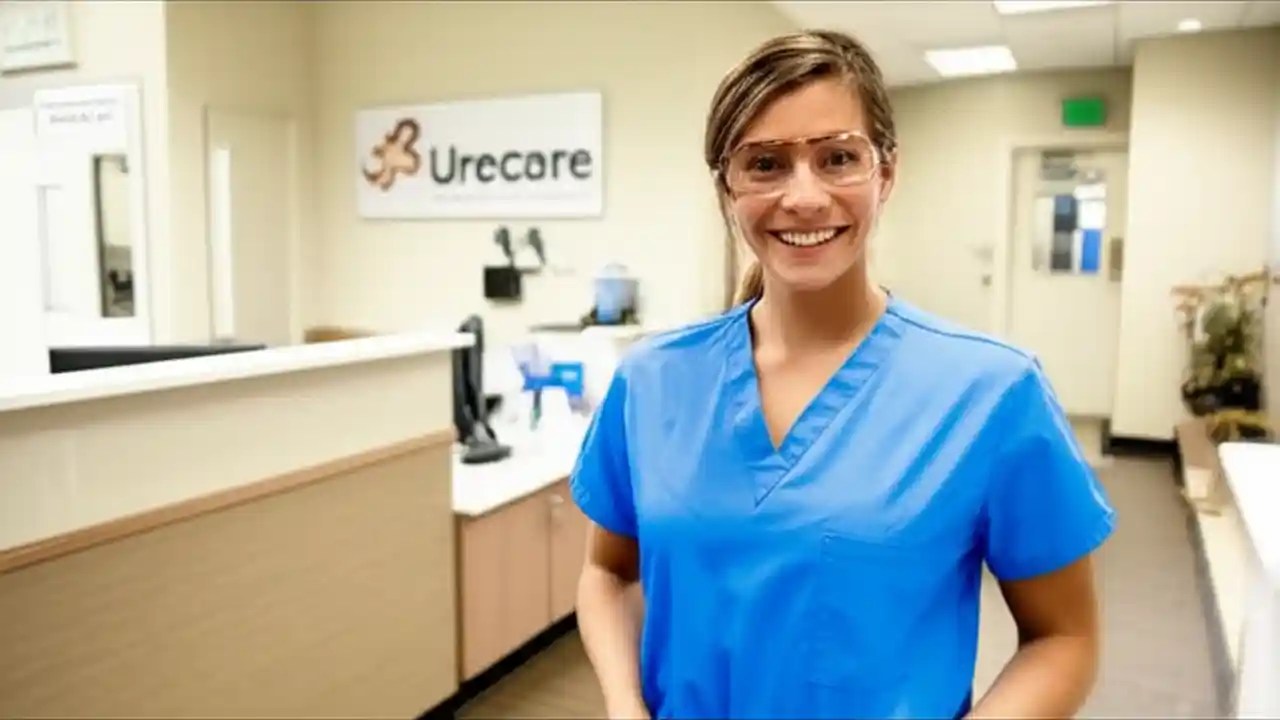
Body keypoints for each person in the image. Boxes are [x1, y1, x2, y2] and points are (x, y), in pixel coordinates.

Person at [571, 28, 1115, 720]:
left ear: (886, 173)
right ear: (727, 188)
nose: (803, 196)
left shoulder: (991, 393)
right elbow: (608, 571)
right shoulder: (652, 382)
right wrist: (624, 704)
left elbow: (1063, 637)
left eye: (837, 158)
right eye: (765, 164)